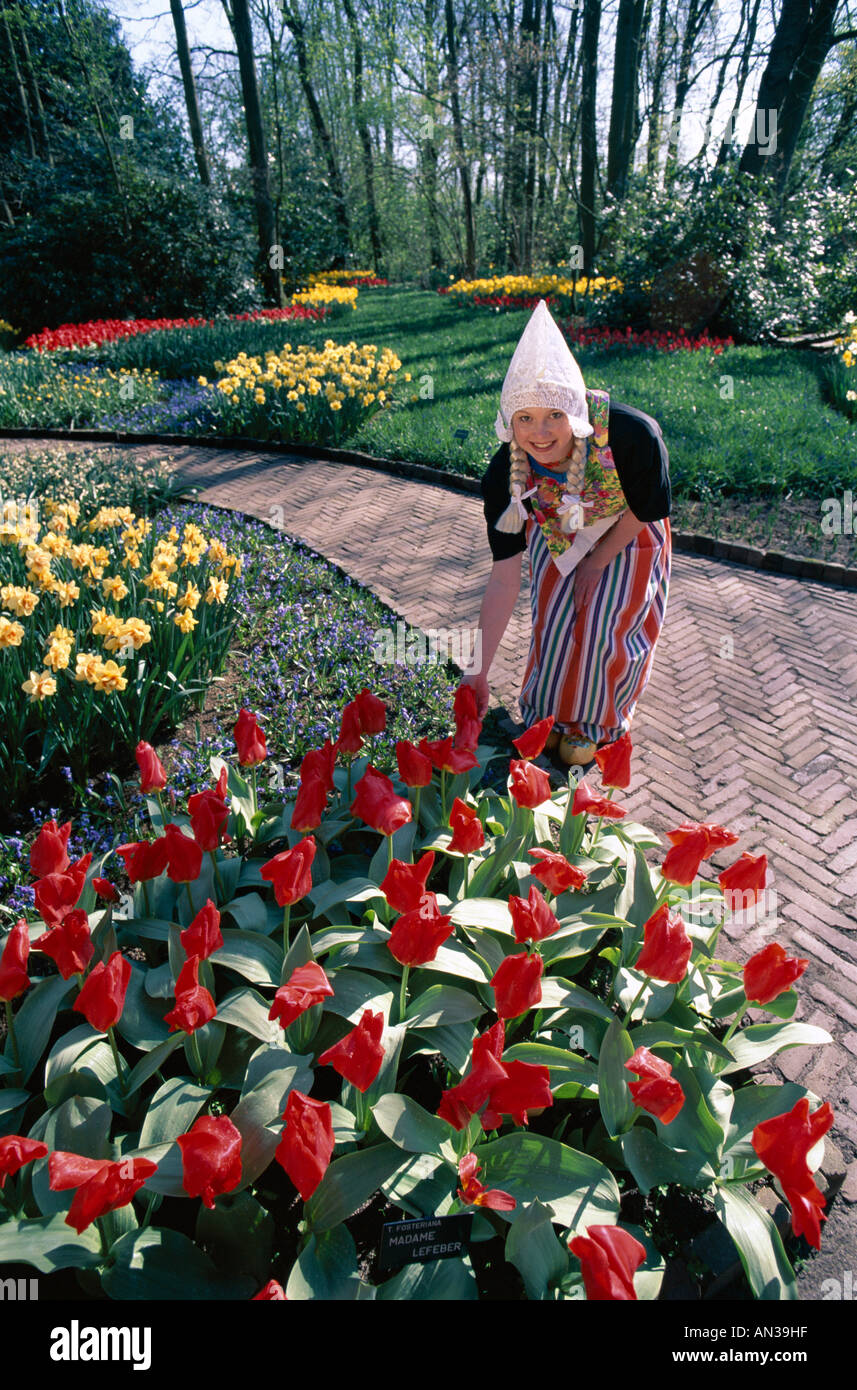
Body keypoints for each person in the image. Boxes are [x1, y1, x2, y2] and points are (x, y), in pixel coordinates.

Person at [462, 298, 671, 766]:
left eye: (554, 415)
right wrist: (477, 669)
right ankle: (549, 717)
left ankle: (596, 724)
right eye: (526, 419)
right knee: (554, 623)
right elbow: (504, 578)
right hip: (558, 532)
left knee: (607, 626)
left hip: (629, 529)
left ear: (574, 414)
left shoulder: (634, 434)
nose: (540, 433)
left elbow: (647, 506)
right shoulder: (504, 476)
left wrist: (597, 562)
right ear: (508, 423)